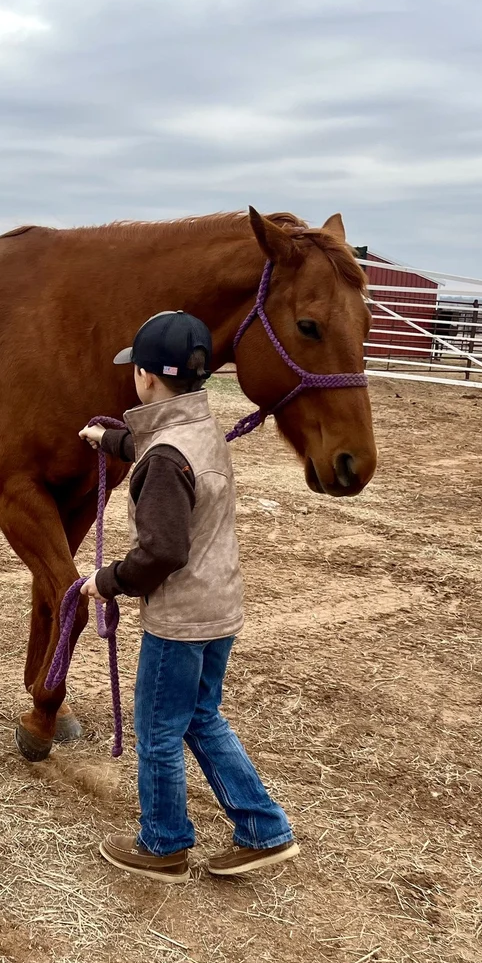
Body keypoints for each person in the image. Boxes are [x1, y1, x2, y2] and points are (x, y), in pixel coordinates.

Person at [78, 310, 298, 883]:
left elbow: (162, 551)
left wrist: (105, 582)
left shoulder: (165, 458)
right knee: (201, 717)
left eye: (137, 370)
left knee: (158, 731)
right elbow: (162, 450)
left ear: (147, 377)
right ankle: (263, 828)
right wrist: (110, 439)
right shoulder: (201, 433)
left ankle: (164, 843)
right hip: (219, 607)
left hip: (179, 621)